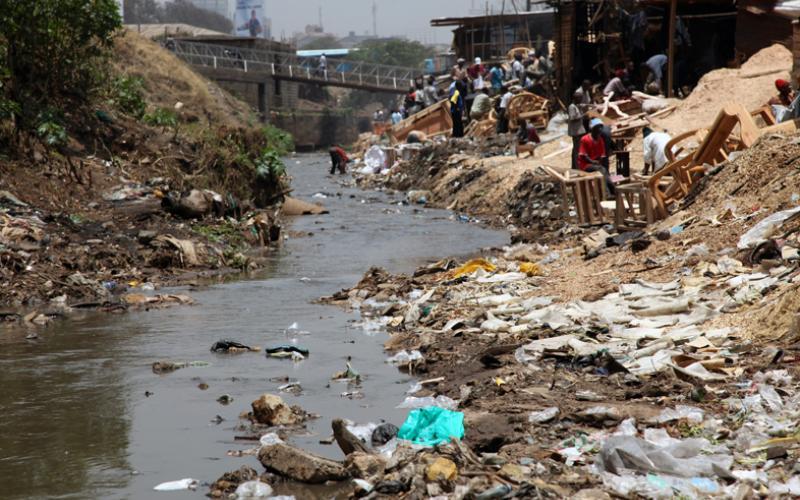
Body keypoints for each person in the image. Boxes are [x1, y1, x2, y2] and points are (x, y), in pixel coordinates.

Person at [579, 118, 615, 196]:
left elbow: (602, 155)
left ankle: (612, 190)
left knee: (604, 170)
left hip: (596, 164)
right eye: (598, 127)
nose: (600, 129)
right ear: (592, 129)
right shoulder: (585, 139)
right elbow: (583, 155)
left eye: (600, 127)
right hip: (586, 165)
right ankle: (607, 192)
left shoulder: (600, 140)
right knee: (601, 169)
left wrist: (599, 161)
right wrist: (593, 162)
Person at [567, 92, 586, 170]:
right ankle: (577, 167)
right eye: (580, 98)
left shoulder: (576, 106)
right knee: (577, 150)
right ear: (576, 98)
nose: (581, 100)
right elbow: (572, 118)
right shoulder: (572, 107)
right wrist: (583, 116)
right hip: (576, 132)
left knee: (576, 149)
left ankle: (574, 166)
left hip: (578, 131)